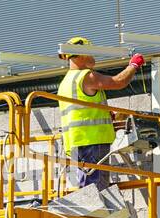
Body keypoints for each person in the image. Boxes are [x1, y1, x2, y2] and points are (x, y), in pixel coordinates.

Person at [57, 36, 145, 189]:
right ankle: (98, 212)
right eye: (90, 53)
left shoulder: (65, 82)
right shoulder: (85, 76)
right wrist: (133, 65)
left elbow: (82, 111)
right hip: (92, 142)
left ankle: (99, 211)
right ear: (81, 54)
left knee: (90, 187)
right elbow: (118, 82)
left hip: (77, 144)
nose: (93, 57)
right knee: (97, 191)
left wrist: (105, 115)